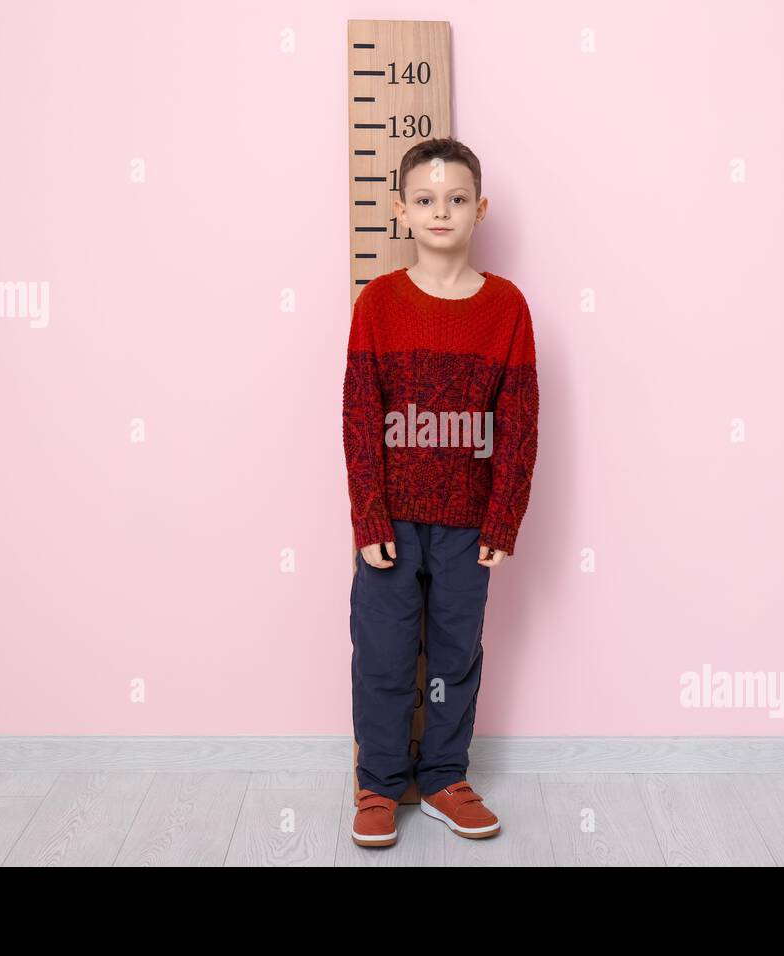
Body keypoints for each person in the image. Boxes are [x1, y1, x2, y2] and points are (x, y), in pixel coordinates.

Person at [341, 137, 539, 847]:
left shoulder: (507, 307)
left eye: (456, 199)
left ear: (479, 208)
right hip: (391, 519)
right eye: (425, 199)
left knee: (455, 653)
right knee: (385, 652)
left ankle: (447, 775)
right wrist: (368, 513)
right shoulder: (380, 303)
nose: (441, 211)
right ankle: (379, 783)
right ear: (400, 210)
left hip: (469, 523)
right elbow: (361, 413)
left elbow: (518, 418)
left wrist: (503, 519)